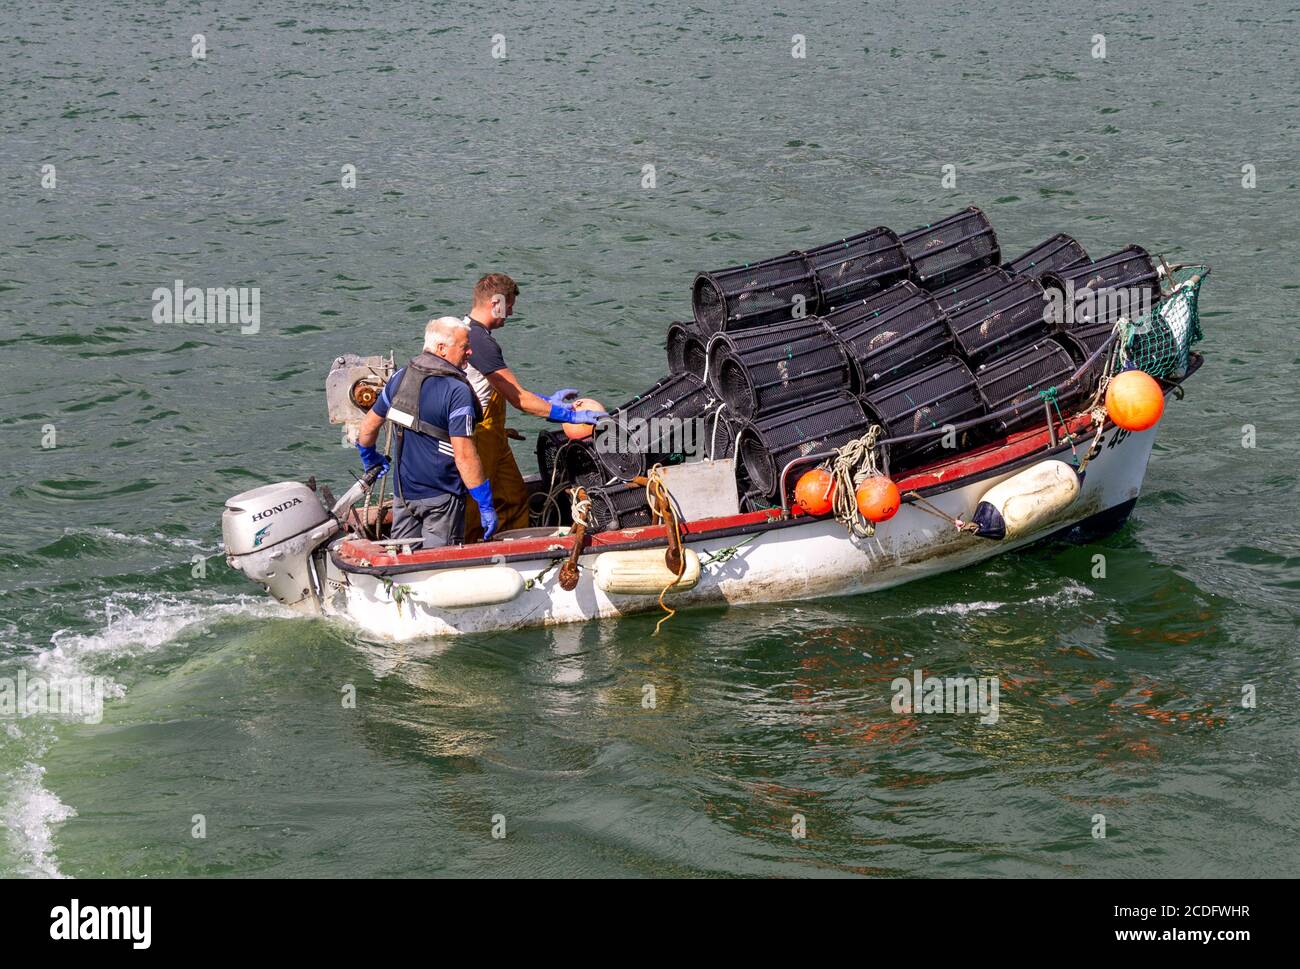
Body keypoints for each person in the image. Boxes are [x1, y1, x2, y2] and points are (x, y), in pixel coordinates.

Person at [460, 273, 606, 541]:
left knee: (515, 497)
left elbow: (505, 388)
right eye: (510, 306)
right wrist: (569, 415)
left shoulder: (472, 332)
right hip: (477, 435)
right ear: (496, 303)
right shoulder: (479, 341)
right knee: (473, 507)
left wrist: (547, 400)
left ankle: (515, 546)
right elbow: (519, 400)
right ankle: (471, 551)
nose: (512, 313)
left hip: (495, 435)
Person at [354, 316, 497, 547]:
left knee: (403, 562)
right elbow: (465, 456)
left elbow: (368, 426)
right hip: (442, 499)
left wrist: (370, 459)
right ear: (441, 349)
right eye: (464, 346)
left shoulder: (400, 377)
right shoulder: (457, 391)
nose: (470, 352)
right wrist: (485, 503)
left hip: (404, 497)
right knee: (438, 569)